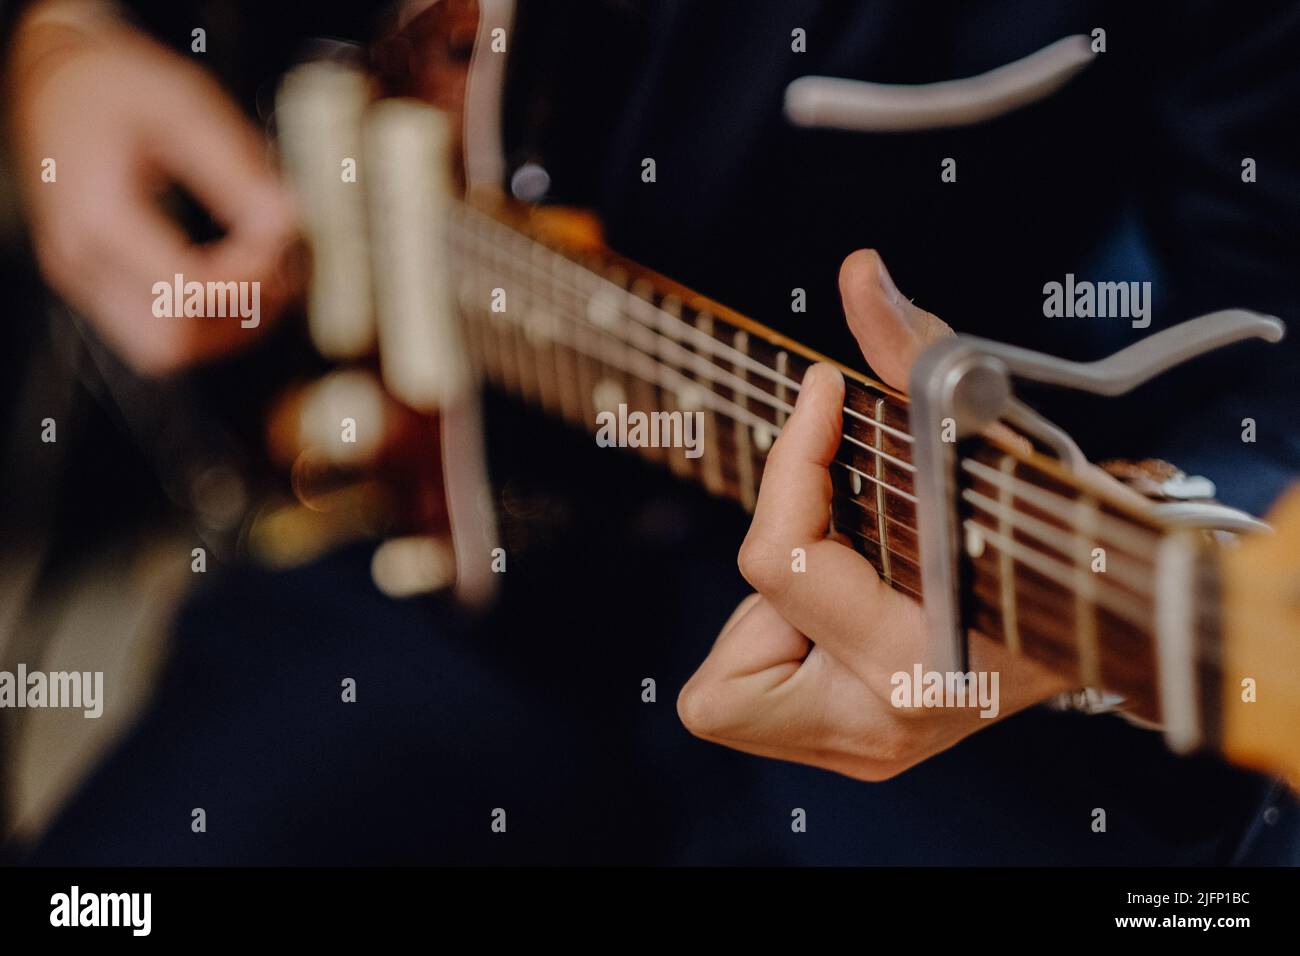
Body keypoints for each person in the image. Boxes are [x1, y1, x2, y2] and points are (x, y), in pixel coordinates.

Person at [4, 0, 1298, 864]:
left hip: (926, 643)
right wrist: (63, 38)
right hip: (431, 570)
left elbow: (1275, 334)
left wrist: (1143, 549)